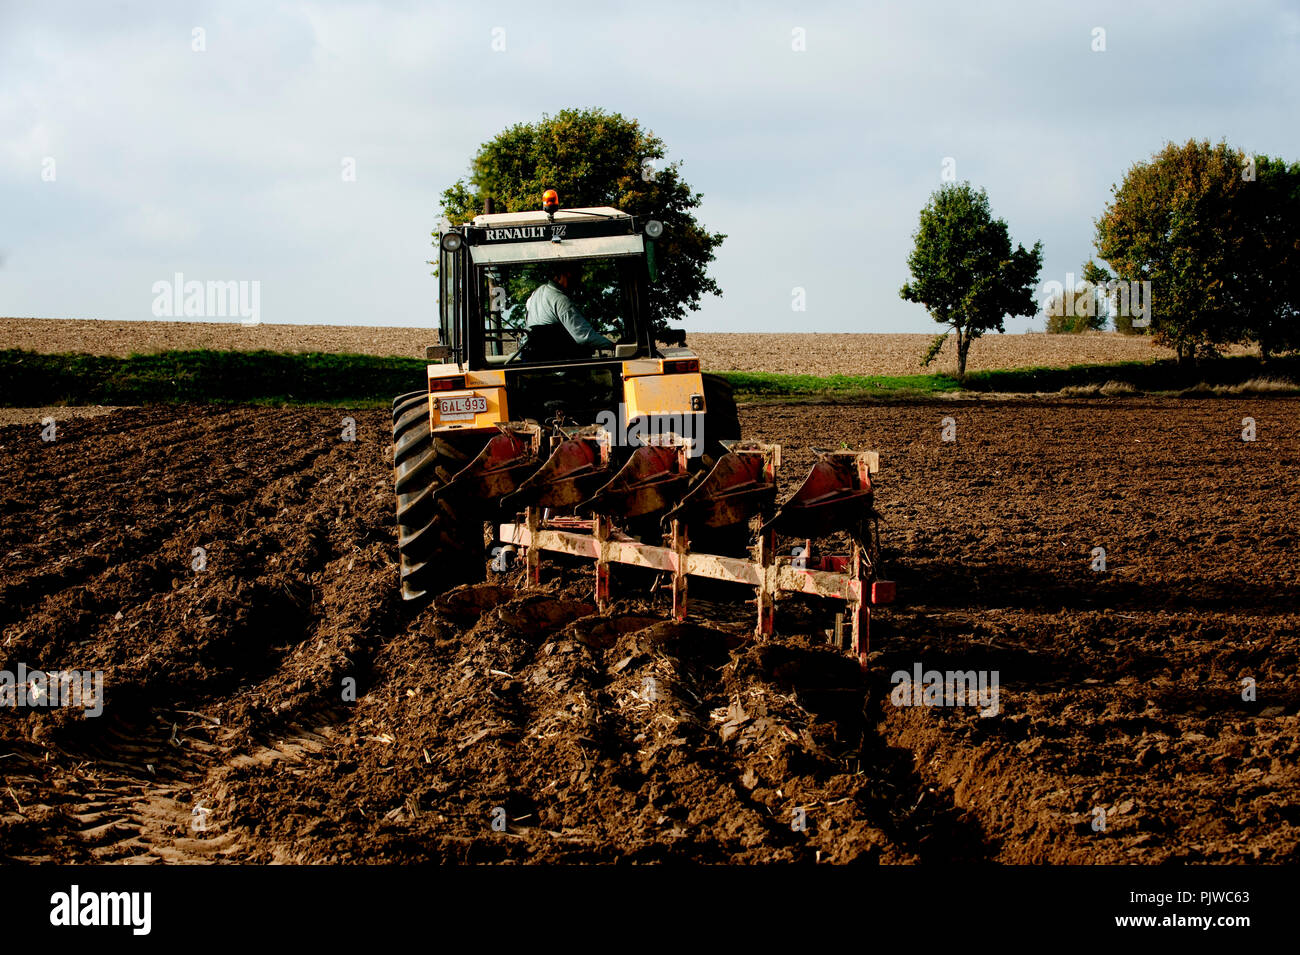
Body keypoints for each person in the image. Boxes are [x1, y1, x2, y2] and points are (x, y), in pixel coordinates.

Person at [523, 265, 613, 352]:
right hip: (558, 355)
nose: (576, 282)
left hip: (535, 353)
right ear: (559, 275)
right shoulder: (561, 300)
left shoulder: (537, 292)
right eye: (572, 277)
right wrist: (613, 345)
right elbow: (584, 337)